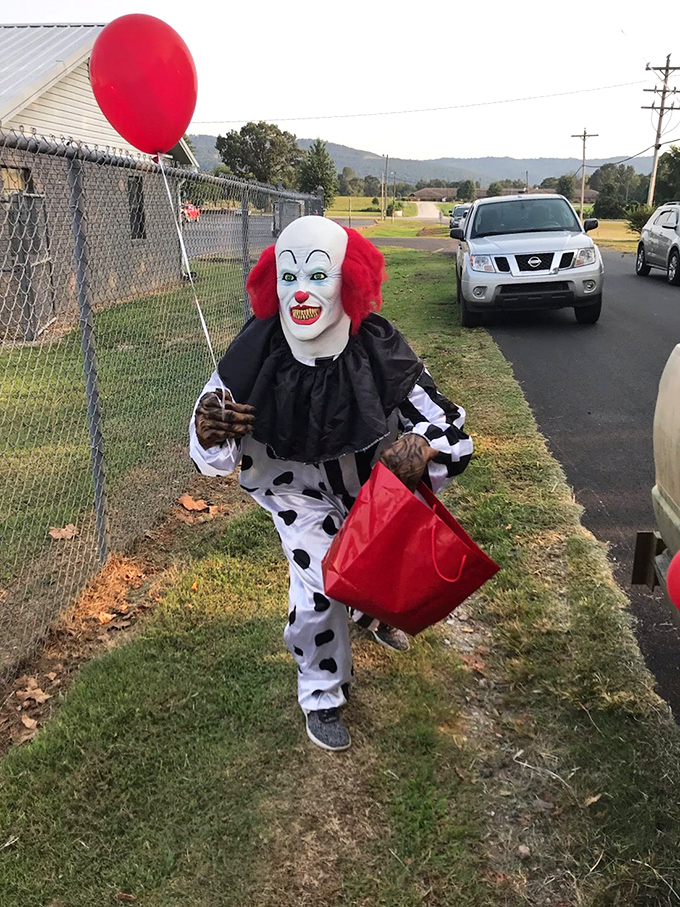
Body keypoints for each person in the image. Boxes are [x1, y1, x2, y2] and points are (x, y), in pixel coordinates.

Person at [190, 216, 473, 751]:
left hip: (371, 491)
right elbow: (212, 442)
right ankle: (321, 693)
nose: (300, 291)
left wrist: (423, 449)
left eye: (318, 275)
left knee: (374, 564)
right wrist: (210, 427)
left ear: (349, 279)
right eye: (288, 274)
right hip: (294, 492)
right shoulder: (255, 352)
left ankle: (370, 610)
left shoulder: (378, 348)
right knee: (319, 585)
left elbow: (448, 425)